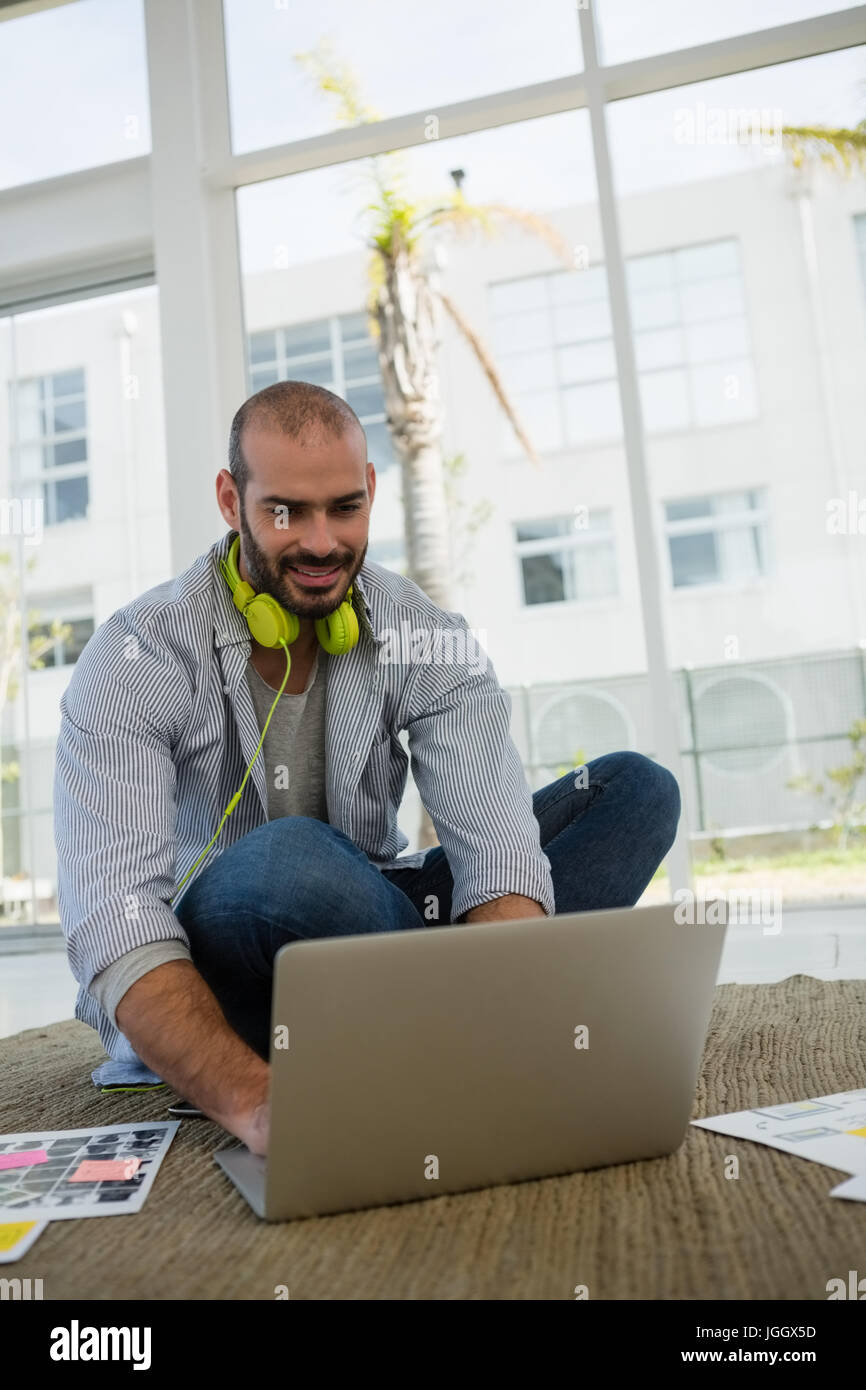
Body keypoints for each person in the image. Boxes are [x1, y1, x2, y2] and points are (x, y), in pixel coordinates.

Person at [54, 380, 681, 1157]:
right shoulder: (135, 658)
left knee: (634, 791)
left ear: (372, 492)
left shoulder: (424, 633)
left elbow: (497, 853)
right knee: (292, 860)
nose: (321, 542)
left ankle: (449, 1030)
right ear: (230, 499)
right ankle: (471, 1030)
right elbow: (115, 926)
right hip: (220, 970)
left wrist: (516, 970)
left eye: (344, 508)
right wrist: (256, 1104)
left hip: (371, 912)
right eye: (287, 511)